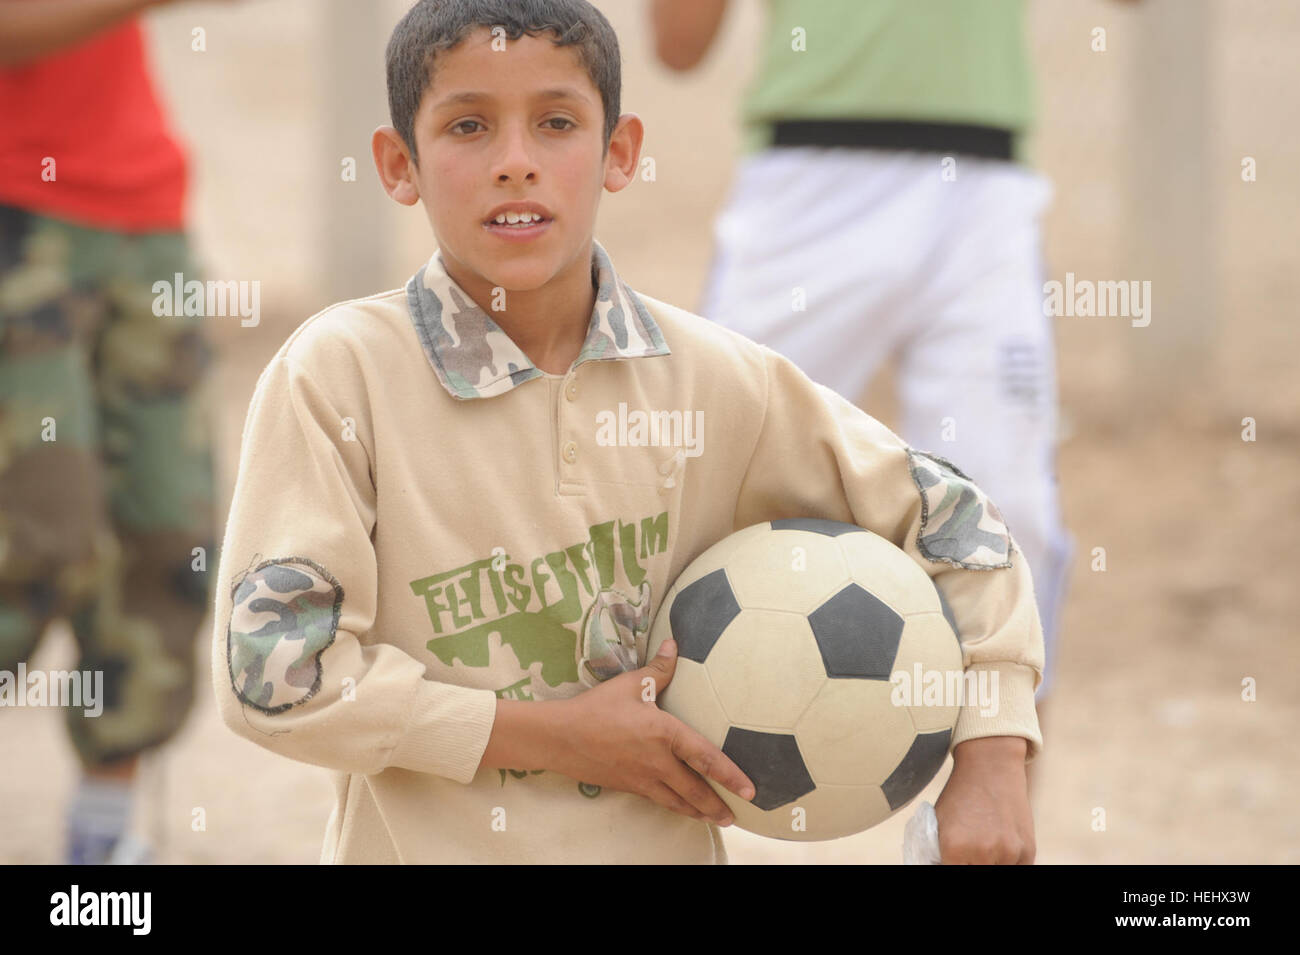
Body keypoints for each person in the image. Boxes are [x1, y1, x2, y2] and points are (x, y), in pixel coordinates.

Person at [212, 0, 1044, 864]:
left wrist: (991, 750)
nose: (515, 164)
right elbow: (274, 677)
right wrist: (547, 734)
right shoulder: (340, 378)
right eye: (467, 126)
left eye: (557, 123)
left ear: (620, 153)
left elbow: (958, 520)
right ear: (399, 164)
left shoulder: (715, 382)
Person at [651, 0, 1085, 797]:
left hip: (981, 179)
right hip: (808, 175)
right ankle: (617, 811)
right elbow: (678, 45)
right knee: (687, 484)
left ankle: (989, 812)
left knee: (1015, 512)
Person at [0, 0, 225, 863]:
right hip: (15, 209)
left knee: (166, 533)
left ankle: (101, 842)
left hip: (142, 207)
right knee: (35, 530)